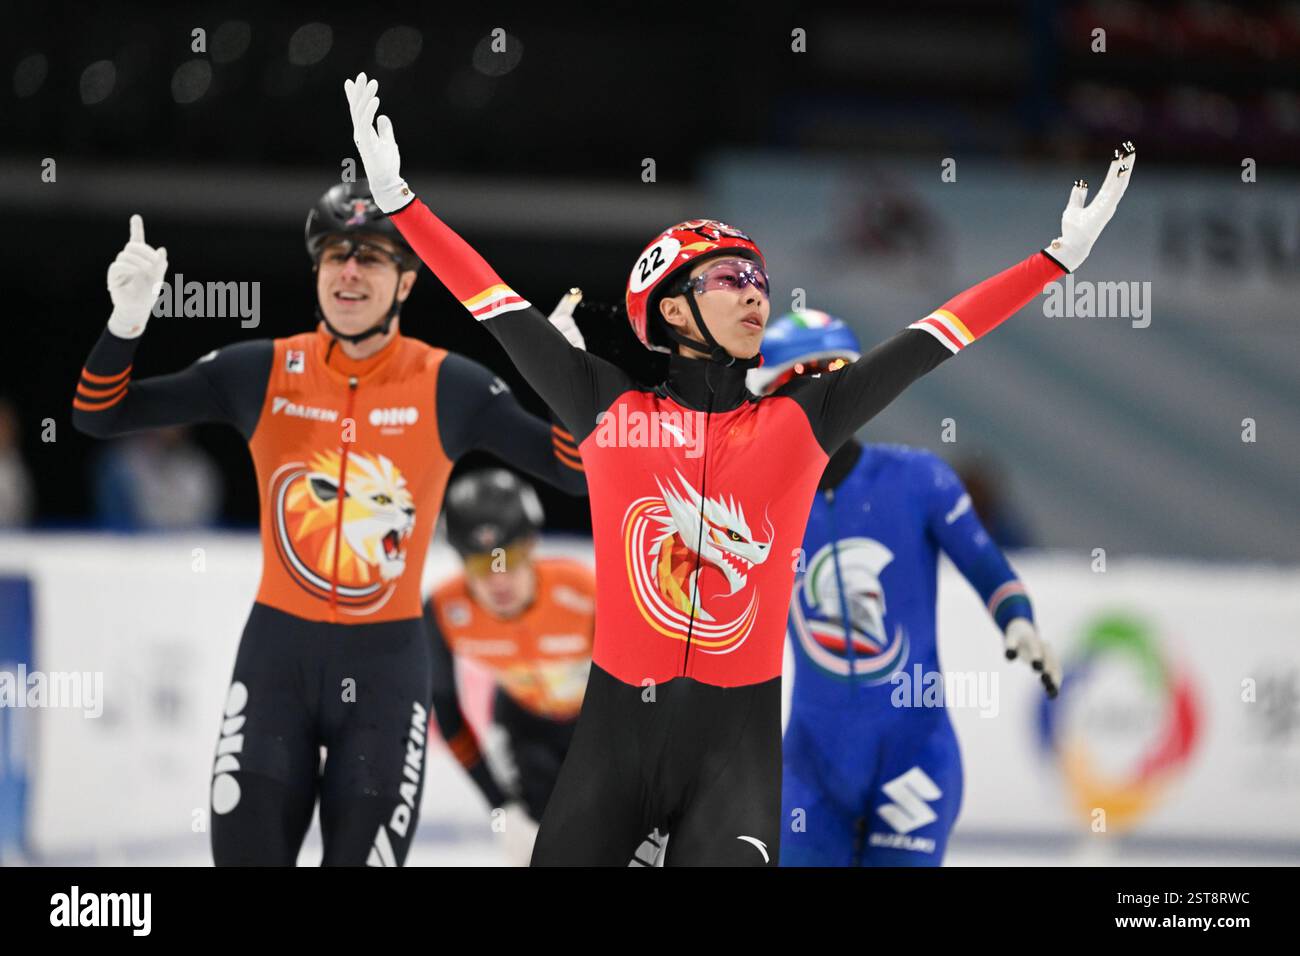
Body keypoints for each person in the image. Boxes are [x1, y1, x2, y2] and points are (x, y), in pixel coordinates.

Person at [344, 69, 1135, 865]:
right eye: (728, 279)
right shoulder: (605, 407)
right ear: (674, 308)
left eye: (759, 278)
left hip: (738, 759)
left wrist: (1055, 260)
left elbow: (936, 336)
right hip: (612, 754)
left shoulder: (804, 422)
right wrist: (399, 199)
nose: (756, 294)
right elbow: (490, 300)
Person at [71, 182, 586, 866]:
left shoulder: (451, 386)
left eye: (370, 258)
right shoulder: (260, 370)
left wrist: (566, 383)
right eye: (334, 255)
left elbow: (574, 474)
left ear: (405, 281)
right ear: (315, 271)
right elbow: (99, 414)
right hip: (275, 664)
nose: (349, 272)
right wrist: (127, 323)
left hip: (385, 676)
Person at [749, 310, 1058, 866]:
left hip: (914, 758)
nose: (827, 398)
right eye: (807, 380)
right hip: (811, 766)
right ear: (769, 397)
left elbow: (985, 564)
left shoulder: (919, 480)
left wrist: (1018, 619)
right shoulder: (750, 502)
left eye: (839, 375)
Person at [424, 468, 595, 865]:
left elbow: (642, 691)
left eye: (511, 558)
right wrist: (501, 807)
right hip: (525, 728)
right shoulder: (444, 612)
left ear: (533, 543)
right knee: (533, 844)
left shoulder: (581, 591)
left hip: (597, 727)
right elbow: (447, 714)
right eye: (482, 564)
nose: (499, 580)